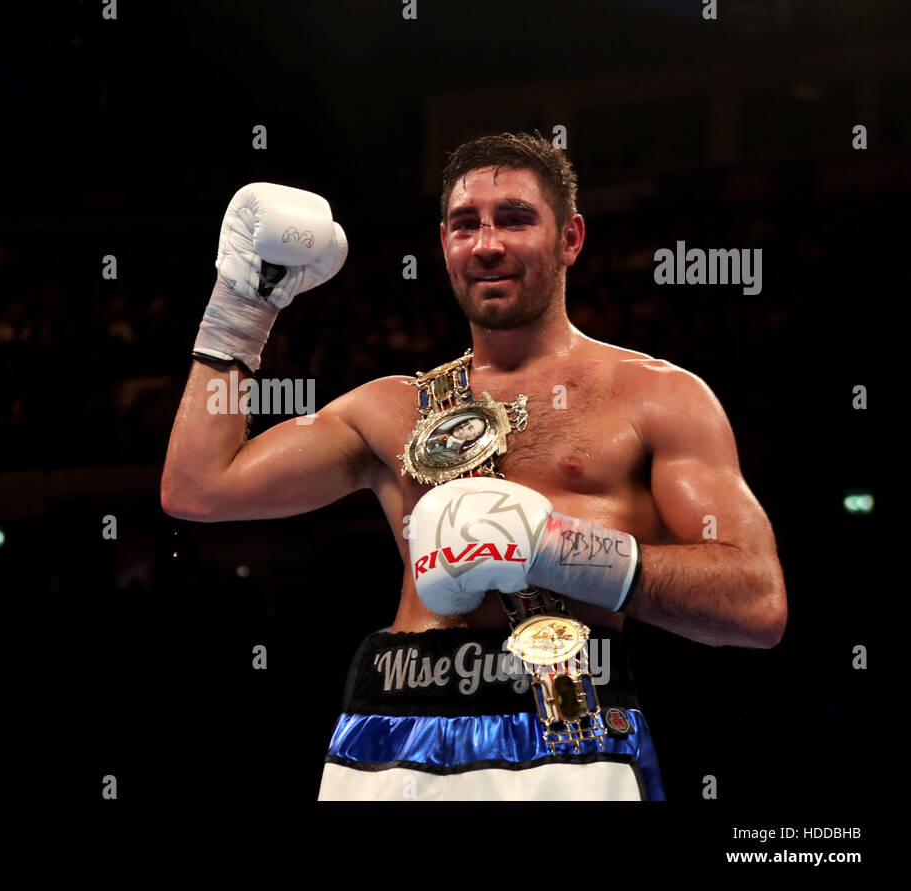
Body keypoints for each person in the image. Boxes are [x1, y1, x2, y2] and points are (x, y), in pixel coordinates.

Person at [160, 133, 787, 801]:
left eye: (515, 218)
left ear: (571, 238)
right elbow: (199, 486)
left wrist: (557, 551)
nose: (486, 243)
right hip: (388, 735)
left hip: (565, 729)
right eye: (466, 224)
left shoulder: (658, 398)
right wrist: (241, 305)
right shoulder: (391, 408)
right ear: (445, 245)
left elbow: (756, 602)